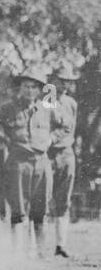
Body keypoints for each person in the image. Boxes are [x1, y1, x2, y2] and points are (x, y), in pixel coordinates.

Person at [0, 68, 53, 258]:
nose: (29, 91)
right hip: (19, 162)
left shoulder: (47, 109)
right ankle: (17, 255)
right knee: (18, 210)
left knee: (40, 210)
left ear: (39, 90)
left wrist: (52, 138)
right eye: (26, 86)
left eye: (34, 87)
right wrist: (2, 135)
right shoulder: (8, 108)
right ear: (19, 88)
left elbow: (65, 126)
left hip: (42, 163)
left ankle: (41, 253)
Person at [48, 65, 80, 258]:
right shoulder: (46, 100)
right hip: (48, 153)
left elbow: (70, 129)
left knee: (64, 200)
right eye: (62, 80)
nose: (65, 85)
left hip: (66, 153)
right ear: (54, 80)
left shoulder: (71, 103)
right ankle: (35, 245)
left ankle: (61, 244)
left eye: (68, 81)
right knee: (41, 198)